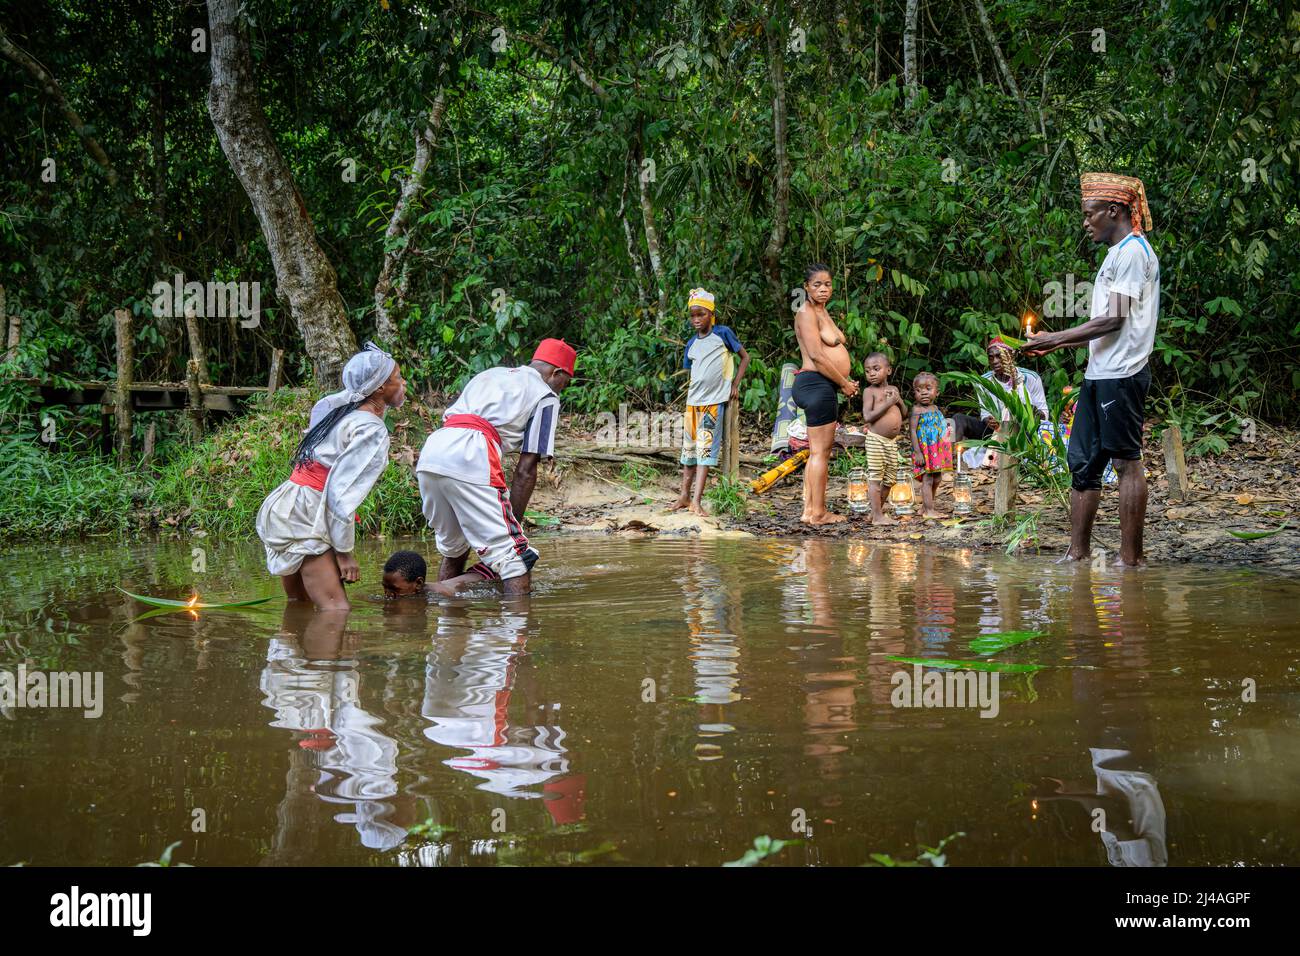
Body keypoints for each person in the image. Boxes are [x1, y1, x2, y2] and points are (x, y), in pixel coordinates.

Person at [1023, 172, 1160, 567]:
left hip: (1123, 373)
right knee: (1083, 464)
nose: (1085, 222)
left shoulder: (1134, 252)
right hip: (1098, 374)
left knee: (1125, 461)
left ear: (1113, 210)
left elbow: (1114, 320)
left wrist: (1056, 337)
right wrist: (1056, 342)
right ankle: (1076, 552)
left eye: (1089, 214)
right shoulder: (1113, 256)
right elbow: (1100, 326)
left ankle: (1129, 559)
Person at [416, 339, 575, 595]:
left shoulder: (489, 375)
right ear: (555, 373)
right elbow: (526, 469)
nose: (561, 390)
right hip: (472, 455)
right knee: (516, 559)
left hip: (433, 451)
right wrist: (515, 528)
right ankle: (517, 628)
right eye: (564, 383)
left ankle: (445, 622)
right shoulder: (546, 396)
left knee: (455, 547)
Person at [256, 343, 406, 611]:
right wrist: (344, 554)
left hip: (291, 502)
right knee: (336, 610)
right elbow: (341, 492)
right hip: (308, 514)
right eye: (398, 378)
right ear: (381, 387)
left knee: (298, 604)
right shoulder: (370, 428)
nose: (403, 383)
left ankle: (293, 647)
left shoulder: (340, 411)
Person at [669, 288, 750, 515]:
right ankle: (684, 496)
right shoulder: (691, 344)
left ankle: (697, 501)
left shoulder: (723, 334)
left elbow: (745, 357)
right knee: (689, 452)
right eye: (693, 315)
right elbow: (693, 372)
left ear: (711, 314)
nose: (696, 319)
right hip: (692, 404)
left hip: (713, 404)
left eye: (701, 314)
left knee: (705, 453)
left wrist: (735, 384)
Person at [792, 264, 858, 525]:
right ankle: (818, 513)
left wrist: (842, 381)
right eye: (817, 284)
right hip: (815, 383)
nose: (823, 289)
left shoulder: (822, 311)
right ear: (806, 287)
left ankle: (809, 511)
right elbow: (817, 356)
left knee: (816, 451)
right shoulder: (805, 311)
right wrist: (844, 383)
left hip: (822, 385)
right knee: (821, 452)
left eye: (827, 284)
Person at [953, 336, 1048, 456]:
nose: (995, 361)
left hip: (1023, 434)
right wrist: (988, 420)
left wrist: (1028, 411)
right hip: (995, 433)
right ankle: (948, 458)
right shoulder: (984, 381)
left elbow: (1044, 415)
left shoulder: (1031, 378)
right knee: (959, 419)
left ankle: (1025, 455)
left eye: (999, 356)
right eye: (991, 357)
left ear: (1011, 356)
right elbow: (985, 413)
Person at [861, 352, 907, 525]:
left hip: (891, 442)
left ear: (888, 370)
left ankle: (875, 513)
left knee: (890, 479)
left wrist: (898, 400)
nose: (871, 373)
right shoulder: (869, 391)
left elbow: (904, 413)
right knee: (876, 477)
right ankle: (878, 517)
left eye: (876, 369)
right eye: (867, 371)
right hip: (875, 440)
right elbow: (867, 416)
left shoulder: (893, 389)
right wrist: (888, 403)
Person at [909, 371, 952, 518]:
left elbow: (943, 429)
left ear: (937, 392)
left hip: (937, 450)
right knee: (927, 479)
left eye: (928, 388)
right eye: (919, 390)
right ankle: (929, 510)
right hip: (925, 450)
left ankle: (925, 506)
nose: (923, 393)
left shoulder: (936, 409)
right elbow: (913, 431)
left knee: (937, 478)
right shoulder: (917, 410)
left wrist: (947, 449)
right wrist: (918, 452)